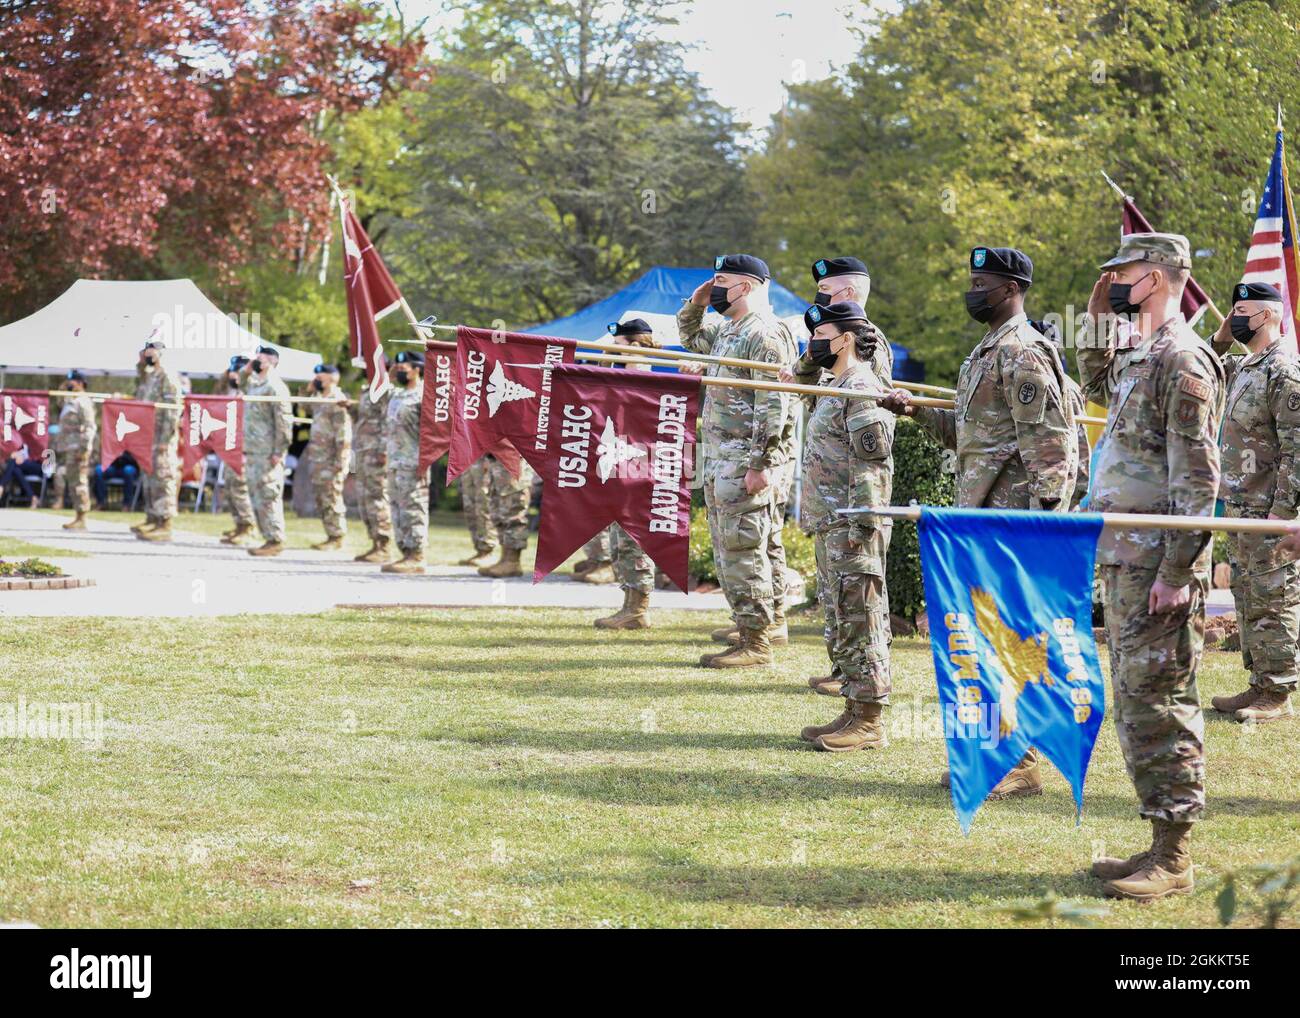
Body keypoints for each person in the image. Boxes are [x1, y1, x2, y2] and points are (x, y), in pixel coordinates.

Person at [882, 246, 1077, 796]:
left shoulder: (1024, 352)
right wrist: (916, 410)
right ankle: (998, 754)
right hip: (982, 522)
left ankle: (1022, 765)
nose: (972, 291)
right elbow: (974, 440)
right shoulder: (986, 352)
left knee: (1018, 643)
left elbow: (1053, 450)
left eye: (981, 282)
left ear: (1012, 288)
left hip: (1016, 528)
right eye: (971, 281)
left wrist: (1044, 530)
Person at [1076, 232, 1224, 901]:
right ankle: (1159, 839)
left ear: (1159, 279)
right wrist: (1097, 314)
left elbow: (1198, 480)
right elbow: (1090, 376)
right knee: (1137, 701)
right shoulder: (1139, 354)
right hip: (1126, 555)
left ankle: (1175, 856)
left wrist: (1178, 570)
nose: (1113, 285)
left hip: (1156, 566)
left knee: (1161, 701)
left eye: (1124, 277)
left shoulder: (1184, 359)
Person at [678, 254, 796, 668]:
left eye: (721, 280)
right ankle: (759, 625)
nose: (716, 288)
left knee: (743, 549)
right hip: (722, 458)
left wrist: (761, 463)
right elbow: (691, 338)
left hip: (744, 459)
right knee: (741, 546)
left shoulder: (763, 334)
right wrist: (696, 302)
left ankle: (755, 640)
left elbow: (774, 403)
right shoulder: (732, 329)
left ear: (745, 286)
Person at [790, 302, 895, 751]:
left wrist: (863, 527)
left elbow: (873, 464)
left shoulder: (861, 387)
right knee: (842, 620)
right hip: (831, 521)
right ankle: (853, 708)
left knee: (862, 617)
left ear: (845, 338)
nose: (814, 342)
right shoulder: (835, 383)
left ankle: (870, 719)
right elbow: (798, 381)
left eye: (821, 334)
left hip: (853, 525)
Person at [1205, 281, 1299, 724]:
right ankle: (1260, 683)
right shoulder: (1245, 366)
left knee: (1274, 595)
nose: (1234, 316)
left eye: (1242, 310)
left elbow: (1297, 448)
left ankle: (1278, 693)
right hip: (1241, 506)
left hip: (1269, 509)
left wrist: (1284, 511)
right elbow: (1205, 368)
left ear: (1267, 315)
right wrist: (1222, 334)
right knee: (1248, 594)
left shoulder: (1283, 370)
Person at [591, 319, 661, 629]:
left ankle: (638, 608)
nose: (611, 349)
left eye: (616, 344)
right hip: (622, 458)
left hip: (638, 462)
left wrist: (614, 358)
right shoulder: (627, 368)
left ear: (632, 344)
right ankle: (630, 604)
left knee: (634, 535)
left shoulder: (642, 370)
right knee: (622, 533)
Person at [243, 344, 294, 557]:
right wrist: (246, 369)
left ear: (272, 362)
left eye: (261, 358)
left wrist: (278, 451)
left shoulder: (276, 387)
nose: (256, 360)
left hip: (268, 452)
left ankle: (275, 539)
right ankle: (267, 538)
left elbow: (283, 423)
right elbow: (239, 382)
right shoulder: (256, 385)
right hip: (254, 450)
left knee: (268, 494)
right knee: (257, 496)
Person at [383, 351, 429, 574]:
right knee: (397, 509)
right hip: (395, 461)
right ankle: (405, 552)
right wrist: (390, 376)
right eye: (397, 368)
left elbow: (433, 433)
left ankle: (417, 554)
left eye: (404, 368)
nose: (399, 371)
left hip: (413, 461)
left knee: (413, 508)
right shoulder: (397, 396)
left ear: (417, 370)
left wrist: (426, 460)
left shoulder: (425, 396)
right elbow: (377, 394)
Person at [132, 341, 183, 542]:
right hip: (148, 436)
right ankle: (153, 518)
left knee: (163, 479)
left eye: (152, 349)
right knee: (150, 479)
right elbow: (139, 386)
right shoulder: (151, 376)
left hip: (162, 437)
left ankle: (165, 523)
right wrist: (140, 363)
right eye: (146, 349)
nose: (148, 352)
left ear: (161, 353)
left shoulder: (167, 376)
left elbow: (172, 410)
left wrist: (165, 439)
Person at [306, 363, 352, 551]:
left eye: (321, 375)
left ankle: (337, 536)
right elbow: (304, 407)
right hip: (318, 459)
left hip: (332, 459)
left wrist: (340, 462)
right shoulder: (319, 398)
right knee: (322, 498)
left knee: (332, 498)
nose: (317, 378)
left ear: (332, 377)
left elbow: (344, 435)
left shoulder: (337, 400)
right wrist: (309, 390)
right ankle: (330, 534)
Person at [351, 370, 395, 564]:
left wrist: (384, 449)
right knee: (365, 498)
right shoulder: (366, 390)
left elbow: (388, 420)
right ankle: (375, 542)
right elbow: (365, 418)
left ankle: (384, 545)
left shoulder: (385, 390)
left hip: (377, 452)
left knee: (377, 497)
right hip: (363, 451)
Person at [49, 369, 97, 529]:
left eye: (73, 381)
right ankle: (78, 516)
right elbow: (59, 402)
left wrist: (83, 449)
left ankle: (82, 517)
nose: (70, 383)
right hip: (69, 447)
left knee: (80, 482)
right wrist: (64, 388)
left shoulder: (83, 401)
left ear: (81, 383)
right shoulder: (71, 400)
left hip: (78, 448)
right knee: (73, 482)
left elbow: (90, 427)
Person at [476, 453, 535, 579]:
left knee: (513, 510)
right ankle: (505, 559)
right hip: (499, 455)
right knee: (499, 511)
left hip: (513, 455)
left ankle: (512, 561)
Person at [218, 355, 257, 545]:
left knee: (241, 487)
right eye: (232, 370)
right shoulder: (230, 391)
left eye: (237, 370)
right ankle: (239, 524)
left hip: (244, 446)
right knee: (230, 486)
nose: (233, 374)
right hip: (230, 445)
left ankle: (249, 526)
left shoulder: (252, 391)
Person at [457, 458, 498, 568]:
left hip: (484, 455)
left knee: (484, 505)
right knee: (470, 505)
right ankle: (480, 550)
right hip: (468, 455)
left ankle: (487, 551)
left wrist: (489, 458)